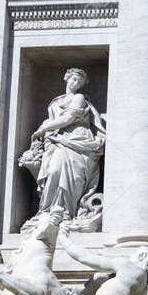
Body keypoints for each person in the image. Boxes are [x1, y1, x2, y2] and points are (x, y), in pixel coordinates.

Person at [20, 68, 105, 228]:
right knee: (52, 172)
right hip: (55, 140)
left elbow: (69, 118)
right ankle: (47, 211)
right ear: (66, 79)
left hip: (76, 140)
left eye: (79, 82)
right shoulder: (56, 102)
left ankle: (66, 211)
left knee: (66, 174)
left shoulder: (79, 98)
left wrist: (43, 129)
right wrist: (46, 132)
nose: (75, 84)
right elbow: (56, 120)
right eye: (73, 80)